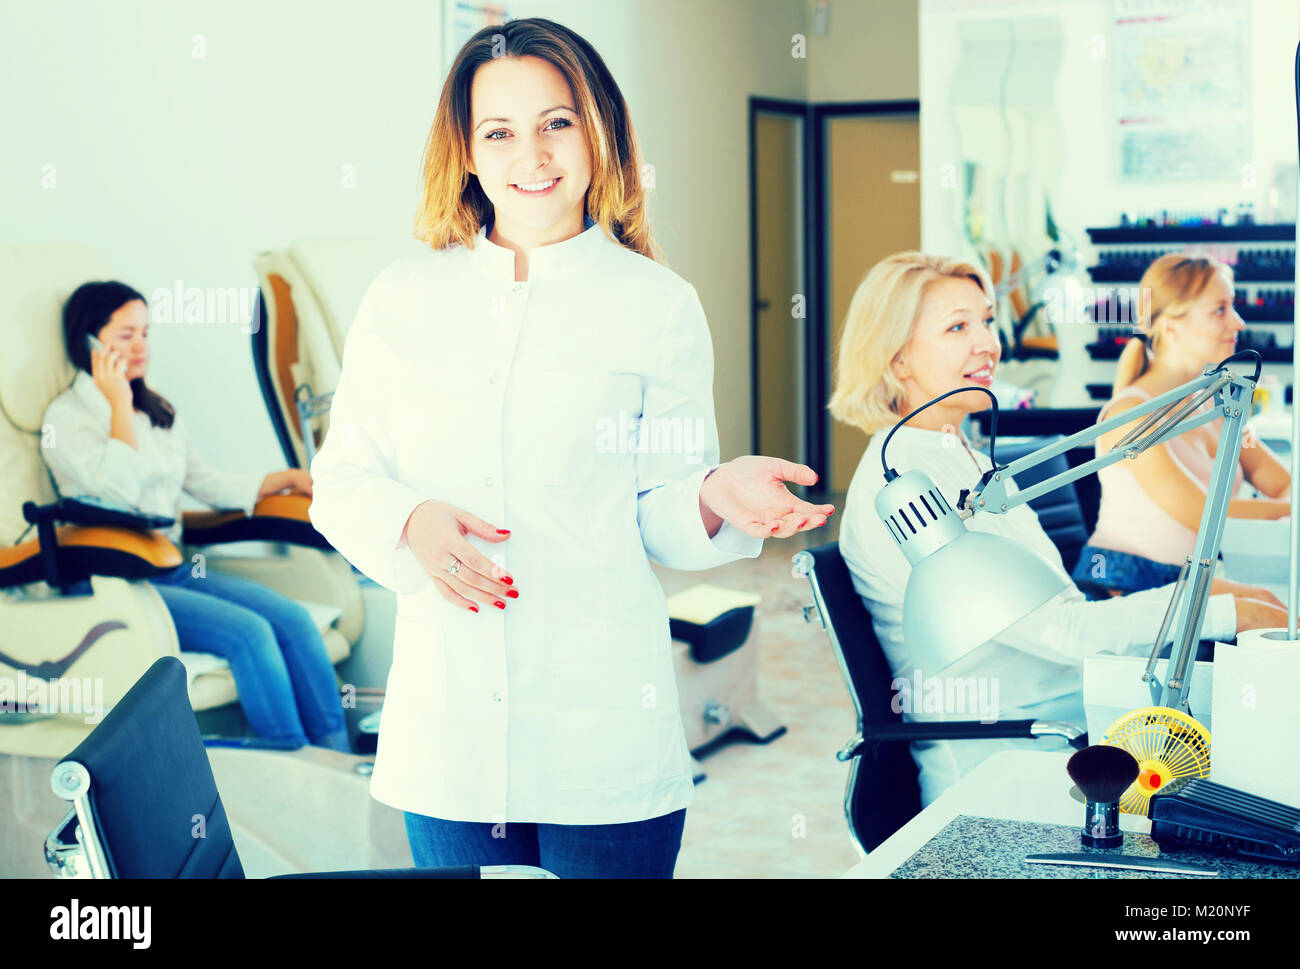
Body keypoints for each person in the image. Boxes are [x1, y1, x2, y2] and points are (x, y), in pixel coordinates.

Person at [306, 17, 833, 879]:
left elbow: (657, 509)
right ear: (467, 154)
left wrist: (711, 494)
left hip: (603, 728)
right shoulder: (403, 298)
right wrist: (411, 521)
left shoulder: (655, 304)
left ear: (600, 133)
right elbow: (340, 478)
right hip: (451, 740)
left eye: (558, 122)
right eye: (500, 132)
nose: (534, 154)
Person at [830, 252, 1288, 806]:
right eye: (957, 327)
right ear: (897, 359)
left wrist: (1216, 600)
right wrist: (1217, 605)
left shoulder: (963, 458)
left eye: (988, 320)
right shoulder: (903, 490)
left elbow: (1061, 616)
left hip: (1074, 715)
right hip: (1014, 759)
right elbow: (1060, 633)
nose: (988, 343)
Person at [42, 280, 351, 753]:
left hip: (173, 572)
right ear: (88, 342)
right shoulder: (65, 420)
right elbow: (117, 495)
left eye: (145, 332)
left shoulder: (156, 409)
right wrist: (118, 405)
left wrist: (282, 478)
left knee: (291, 619)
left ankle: (336, 759)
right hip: (119, 585)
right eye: (126, 335)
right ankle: (292, 764)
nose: (141, 346)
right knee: (250, 634)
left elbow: (205, 482)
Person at [1072, 253, 1291, 597]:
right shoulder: (1131, 416)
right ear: (1170, 324)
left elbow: (1280, 482)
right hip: (1125, 584)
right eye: (1220, 309)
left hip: (1183, 580)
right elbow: (1204, 514)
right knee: (1270, 605)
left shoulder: (1212, 405)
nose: (1237, 322)